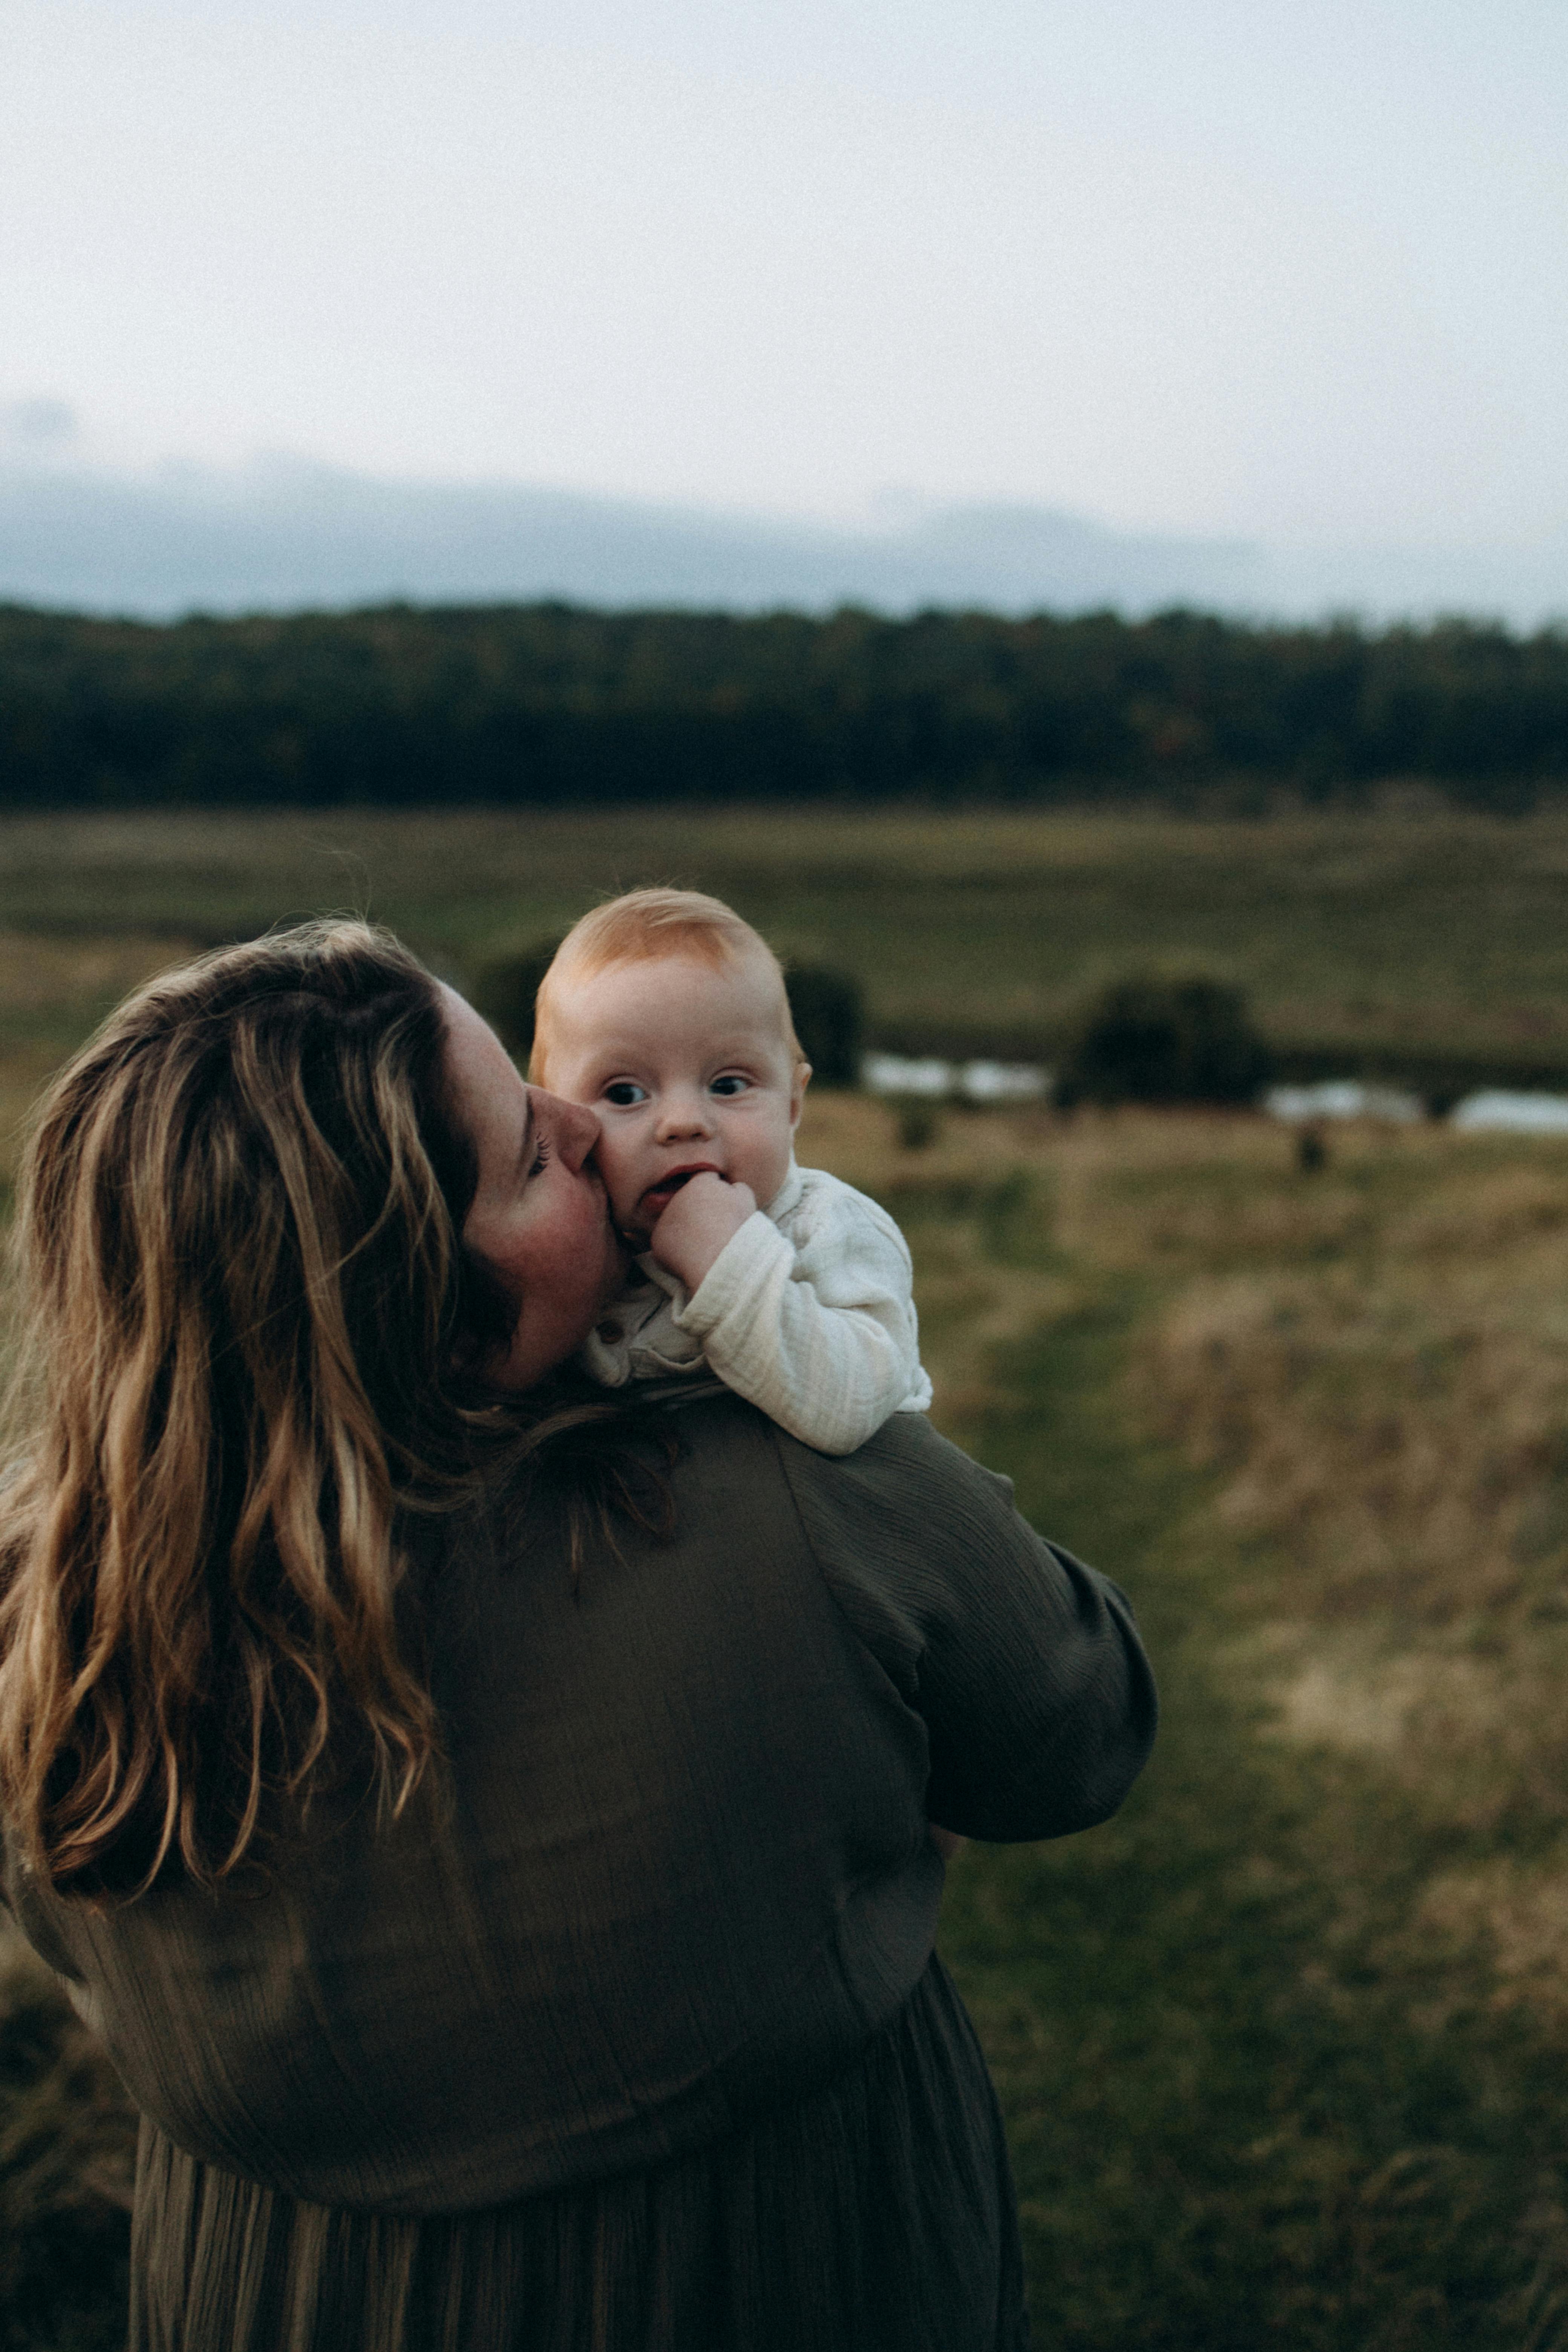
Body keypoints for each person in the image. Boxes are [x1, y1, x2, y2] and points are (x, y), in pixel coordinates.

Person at [0, 919, 1156, 2352]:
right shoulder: (803, 1493)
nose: (592, 1129)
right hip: (765, 2274)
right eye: (533, 1155)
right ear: (427, 1315)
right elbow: (1080, 1727)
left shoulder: (52, 1618)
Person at [531, 888, 931, 1455]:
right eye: (625, 1093)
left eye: (728, 1085)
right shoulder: (583, 1246)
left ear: (793, 1103)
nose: (684, 1122)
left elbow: (853, 1408)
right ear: (563, 1122)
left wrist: (727, 1263)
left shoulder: (827, 1228)